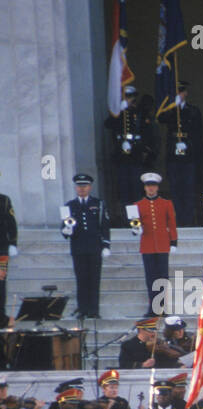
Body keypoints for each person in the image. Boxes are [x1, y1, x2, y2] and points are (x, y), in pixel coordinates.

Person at [104, 85, 156, 225]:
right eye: (126, 96)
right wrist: (119, 110)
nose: (129, 99)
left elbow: (147, 132)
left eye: (131, 96)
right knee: (123, 188)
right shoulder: (119, 113)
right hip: (121, 156)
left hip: (136, 154)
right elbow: (108, 124)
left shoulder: (139, 113)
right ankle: (126, 218)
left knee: (136, 188)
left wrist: (145, 149)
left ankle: (136, 218)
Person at [62, 174, 111, 320]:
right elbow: (64, 227)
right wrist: (66, 230)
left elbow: (104, 225)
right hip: (78, 248)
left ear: (90, 187)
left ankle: (93, 310)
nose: (82, 189)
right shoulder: (69, 206)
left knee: (94, 279)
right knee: (81, 279)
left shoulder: (99, 203)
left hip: (94, 247)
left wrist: (106, 244)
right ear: (76, 187)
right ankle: (83, 309)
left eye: (85, 186)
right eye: (79, 186)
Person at [160, 80, 203, 226]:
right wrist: (173, 107)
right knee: (175, 190)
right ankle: (177, 221)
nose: (179, 94)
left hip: (189, 154)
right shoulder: (170, 110)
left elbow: (198, 134)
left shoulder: (193, 110)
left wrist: (190, 146)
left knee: (189, 190)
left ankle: (189, 220)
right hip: (173, 155)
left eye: (181, 91)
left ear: (186, 93)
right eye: (176, 91)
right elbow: (161, 118)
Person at [132, 173, 177, 315]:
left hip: (163, 245)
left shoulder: (166, 203)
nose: (151, 189)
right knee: (150, 277)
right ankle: (152, 307)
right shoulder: (137, 205)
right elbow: (134, 225)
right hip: (147, 245)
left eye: (153, 186)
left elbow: (172, 223)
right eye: (148, 186)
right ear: (145, 188)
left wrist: (173, 241)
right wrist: (136, 229)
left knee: (163, 277)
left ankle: (163, 307)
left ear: (157, 187)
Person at [0, 189, 15, 325]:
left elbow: (11, 222)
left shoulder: (4, 200)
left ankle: (1, 315)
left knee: (1, 281)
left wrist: (13, 243)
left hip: (2, 250)